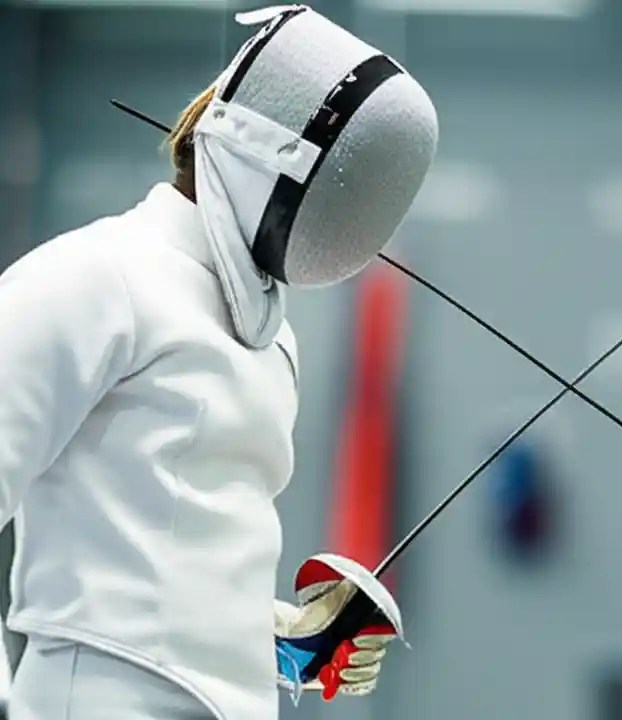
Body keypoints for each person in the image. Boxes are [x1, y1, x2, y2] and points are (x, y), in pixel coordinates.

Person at [0, 5, 437, 718]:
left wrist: (285, 639)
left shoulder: (265, 332)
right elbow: (120, 627)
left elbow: (165, 561)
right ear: (262, 146)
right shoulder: (99, 276)